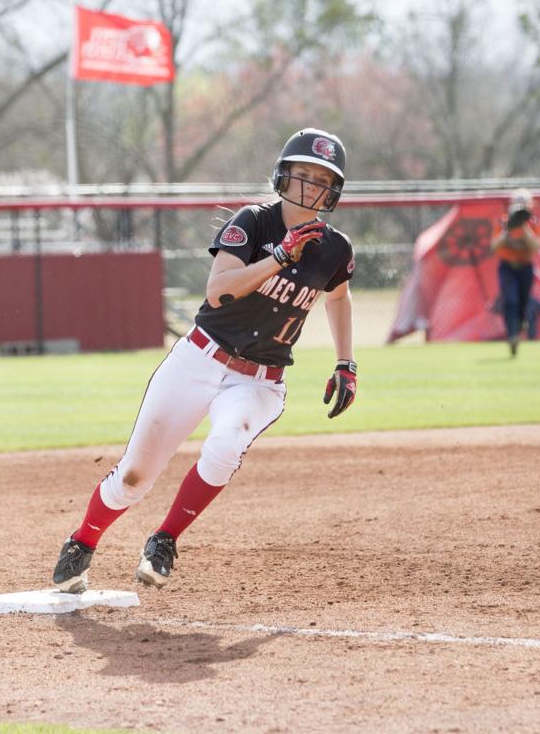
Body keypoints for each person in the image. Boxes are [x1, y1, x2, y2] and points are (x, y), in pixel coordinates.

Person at [52, 128, 357, 592]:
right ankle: (82, 541)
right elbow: (218, 291)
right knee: (135, 476)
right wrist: (278, 256)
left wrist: (345, 363)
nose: (310, 186)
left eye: (321, 179)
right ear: (283, 174)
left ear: (333, 190)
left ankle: (165, 539)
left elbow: (338, 298)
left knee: (225, 444)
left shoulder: (336, 248)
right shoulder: (253, 222)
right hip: (199, 360)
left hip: (259, 380)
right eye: (303, 174)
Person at [490, 188, 540, 357]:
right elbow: (494, 246)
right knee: (510, 300)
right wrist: (509, 229)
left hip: (525, 267)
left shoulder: (533, 223)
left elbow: (536, 247)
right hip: (508, 267)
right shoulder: (503, 222)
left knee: (523, 302)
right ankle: (512, 335)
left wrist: (524, 226)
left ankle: (520, 326)